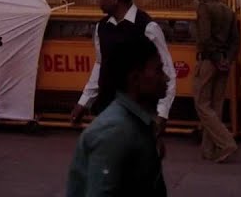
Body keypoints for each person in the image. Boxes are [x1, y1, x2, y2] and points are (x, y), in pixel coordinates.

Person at [70, 0, 176, 138]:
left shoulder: (147, 27)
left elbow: (167, 71)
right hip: (108, 106)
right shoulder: (102, 27)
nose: (99, 1)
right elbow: (100, 64)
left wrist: (162, 113)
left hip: (137, 110)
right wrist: (84, 101)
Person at [64, 34, 169, 197]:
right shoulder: (114, 133)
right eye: (158, 70)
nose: (166, 78)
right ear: (135, 79)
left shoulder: (139, 124)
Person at [194, 0, 239, 163]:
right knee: (215, 105)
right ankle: (209, 149)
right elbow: (235, 40)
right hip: (223, 61)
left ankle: (226, 142)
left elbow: (204, 38)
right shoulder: (228, 10)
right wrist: (226, 59)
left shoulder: (204, 8)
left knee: (202, 104)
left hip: (209, 60)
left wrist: (215, 58)